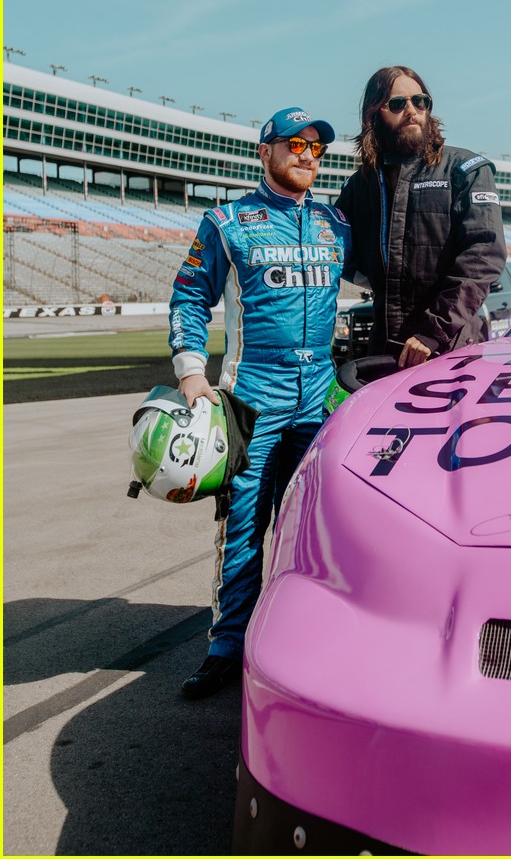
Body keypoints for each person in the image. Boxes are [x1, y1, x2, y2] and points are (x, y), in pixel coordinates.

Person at [169, 107, 350, 699]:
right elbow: (190, 294)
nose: (306, 155)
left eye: (316, 148)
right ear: (265, 152)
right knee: (245, 526)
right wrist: (191, 372)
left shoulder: (335, 223)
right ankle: (227, 648)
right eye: (294, 144)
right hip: (252, 398)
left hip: (317, 397)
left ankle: (302, 640)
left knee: (316, 531)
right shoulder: (228, 221)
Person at [335, 66, 506, 368]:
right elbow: (338, 252)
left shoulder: (464, 169)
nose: (411, 110)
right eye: (398, 104)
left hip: (454, 349)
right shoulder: (359, 186)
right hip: (387, 350)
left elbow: (484, 257)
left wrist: (432, 332)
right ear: (374, 115)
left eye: (420, 101)